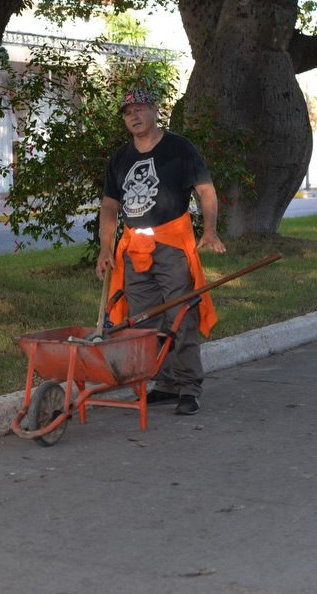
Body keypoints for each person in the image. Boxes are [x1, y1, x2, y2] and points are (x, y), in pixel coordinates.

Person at [95, 87, 226, 415]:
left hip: (170, 246)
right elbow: (110, 206)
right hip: (133, 249)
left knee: (180, 317)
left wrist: (209, 230)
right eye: (127, 113)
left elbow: (205, 190)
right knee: (144, 322)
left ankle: (189, 386)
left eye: (139, 109)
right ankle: (165, 383)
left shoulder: (179, 148)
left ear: (154, 110)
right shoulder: (121, 158)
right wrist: (105, 249)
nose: (134, 117)